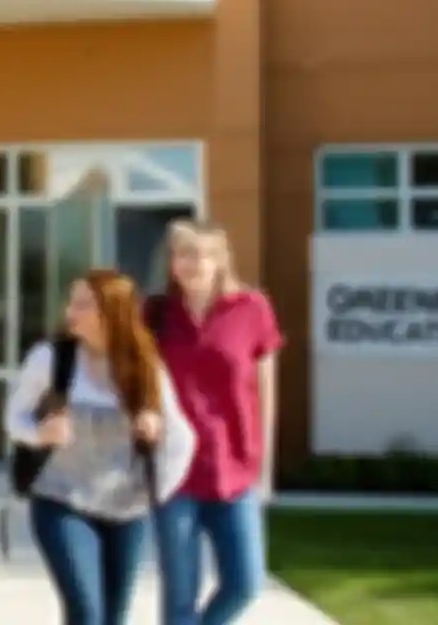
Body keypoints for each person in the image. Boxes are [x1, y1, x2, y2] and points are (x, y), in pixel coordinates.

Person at [6, 269, 195, 625]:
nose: (70, 312)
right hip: (61, 501)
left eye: (82, 305)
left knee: (114, 618)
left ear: (111, 312)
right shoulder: (51, 358)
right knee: (87, 614)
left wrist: (156, 488)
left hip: (125, 512)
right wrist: (41, 434)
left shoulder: (144, 365)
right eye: (71, 303)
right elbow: (14, 420)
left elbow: (182, 437)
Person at [149, 220, 284, 625]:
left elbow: (267, 395)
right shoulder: (155, 315)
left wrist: (266, 472)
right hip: (175, 476)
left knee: (246, 582)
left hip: (235, 470)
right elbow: (136, 381)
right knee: (179, 599)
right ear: (173, 263)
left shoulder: (252, 309)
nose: (196, 263)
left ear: (222, 260)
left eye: (205, 254)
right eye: (185, 254)